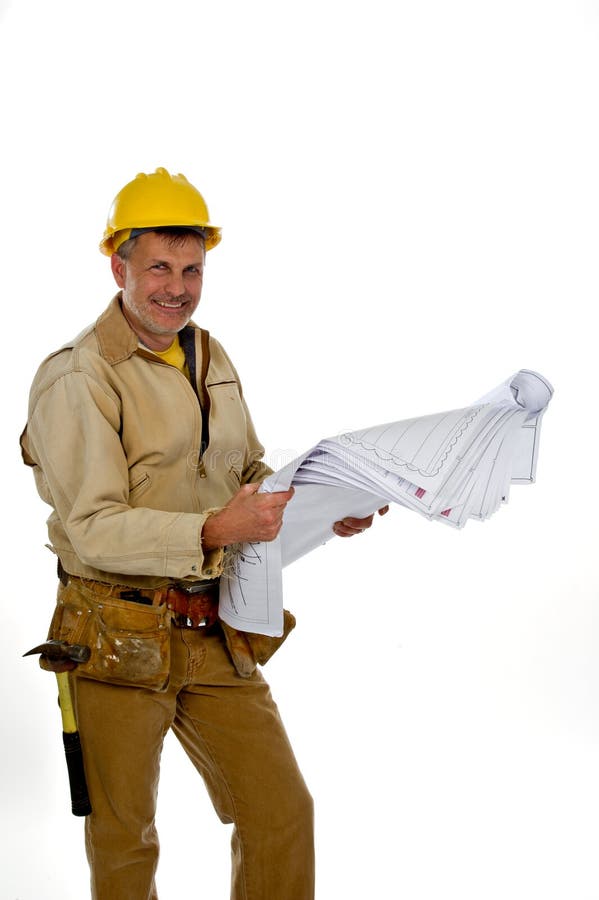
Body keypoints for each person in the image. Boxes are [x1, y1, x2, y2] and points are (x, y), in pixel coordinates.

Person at [20, 167, 385, 900]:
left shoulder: (210, 356)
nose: (176, 288)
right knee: (127, 841)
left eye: (191, 270)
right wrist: (219, 526)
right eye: (158, 266)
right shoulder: (78, 377)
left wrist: (319, 502)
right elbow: (93, 528)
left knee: (281, 811)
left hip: (215, 625)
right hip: (115, 631)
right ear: (116, 264)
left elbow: (241, 467)